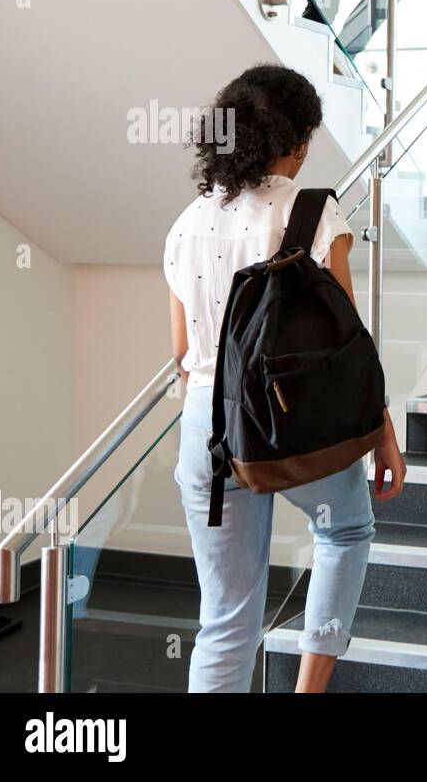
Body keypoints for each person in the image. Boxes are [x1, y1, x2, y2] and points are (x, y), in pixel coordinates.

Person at [164, 64, 406, 692]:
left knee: (224, 618)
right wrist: (382, 433)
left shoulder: (186, 223)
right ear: (294, 139)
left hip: (206, 429)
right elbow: (350, 349)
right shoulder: (314, 212)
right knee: (346, 530)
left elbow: (182, 349)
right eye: (307, 141)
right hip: (296, 420)